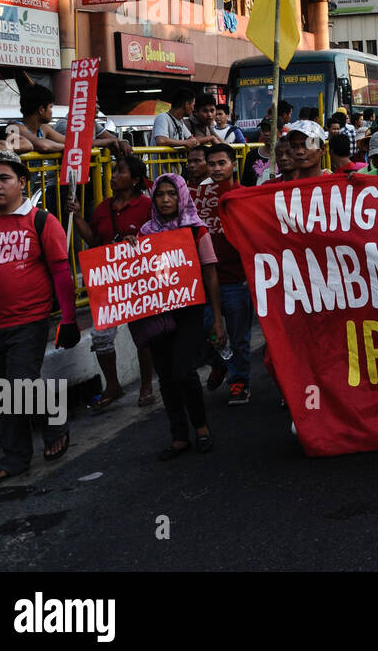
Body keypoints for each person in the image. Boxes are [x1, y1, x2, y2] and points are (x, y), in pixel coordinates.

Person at [0, 151, 80, 485]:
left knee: (20, 383)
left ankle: (54, 422)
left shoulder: (41, 221)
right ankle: (14, 457)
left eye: (4, 179)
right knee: (0, 393)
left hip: (28, 320)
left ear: (22, 183)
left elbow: (61, 272)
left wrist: (69, 319)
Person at [133, 174, 225, 459]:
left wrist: (218, 319)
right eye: (159, 194)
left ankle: (201, 428)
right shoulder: (145, 233)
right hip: (158, 312)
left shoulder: (198, 231)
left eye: (171, 194)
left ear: (182, 196)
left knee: (183, 371)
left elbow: (210, 275)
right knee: (166, 376)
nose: (165, 200)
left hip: (190, 311)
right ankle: (178, 435)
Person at [67, 156, 156, 409]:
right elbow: (94, 241)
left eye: (119, 171)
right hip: (110, 281)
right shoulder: (103, 208)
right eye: (114, 171)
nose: (113, 175)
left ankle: (147, 386)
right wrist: (77, 217)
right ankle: (113, 385)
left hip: (140, 279)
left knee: (144, 335)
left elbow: (158, 239)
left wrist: (138, 240)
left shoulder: (148, 206)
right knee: (101, 337)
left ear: (135, 179)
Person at [195, 144, 254, 405]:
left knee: (239, 336)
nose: (217, 168)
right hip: (206, 280)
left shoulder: (244, 197)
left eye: (222, 163)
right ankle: (220, 362)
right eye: (212, 164)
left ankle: (239, 381)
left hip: (236, 280)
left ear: (233, 165)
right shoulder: (197, 198)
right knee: (208, 330)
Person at [241, 119, 276, 187]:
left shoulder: (286, 155)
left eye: (270, 130)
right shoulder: (251, 156)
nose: (266, 134)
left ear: (279, 131)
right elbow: (246, 183)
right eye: (264, 130)